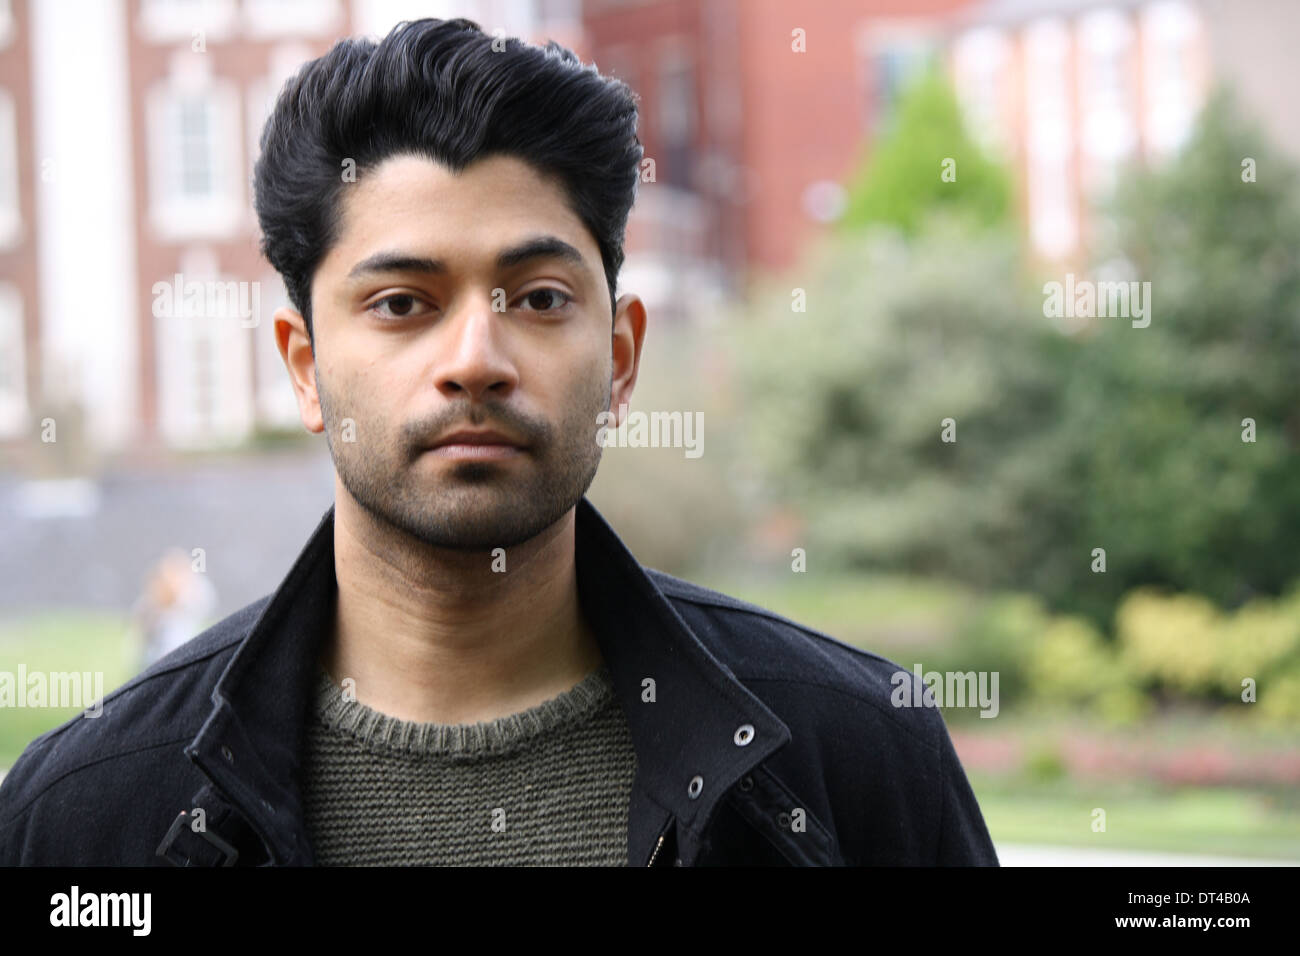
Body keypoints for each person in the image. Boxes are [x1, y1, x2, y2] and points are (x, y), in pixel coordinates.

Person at [0, 17, 997, 866]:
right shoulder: (86, 815)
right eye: (401, 302)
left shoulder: (855, 754)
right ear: (304, 365)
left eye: (538, 297)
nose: (475, 357)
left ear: (621, 356)